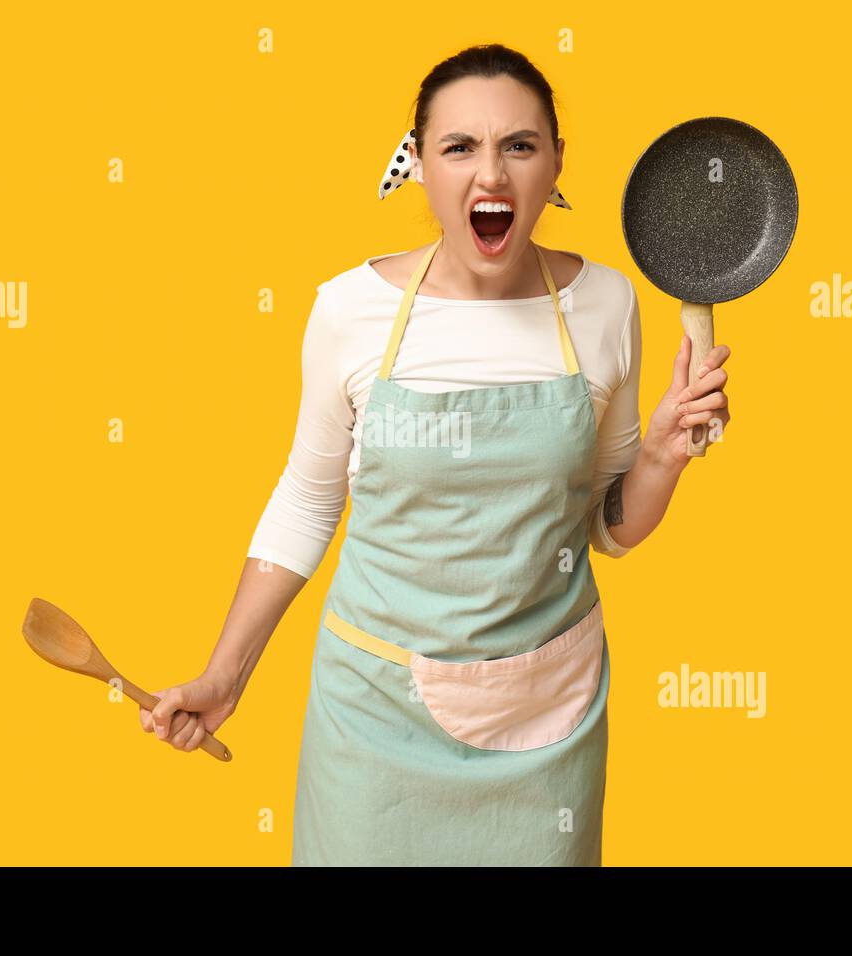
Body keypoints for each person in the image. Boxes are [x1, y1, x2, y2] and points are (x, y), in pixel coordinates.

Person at [138, 43, 731, 865]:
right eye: (460, 148)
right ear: (418, 165)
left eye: (518, 145)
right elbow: (309, 502)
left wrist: (664, 455)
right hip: (376, 714)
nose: (491, 175)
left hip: (545, 717)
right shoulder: (348, 310)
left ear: (557, 160)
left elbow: (607, 527)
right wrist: (224, 676)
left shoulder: (605, 303)